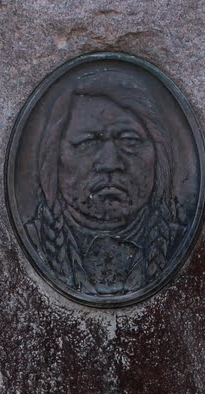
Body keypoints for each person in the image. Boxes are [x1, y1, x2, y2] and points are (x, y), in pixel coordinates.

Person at [22, 67, 189, 300]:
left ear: (159, 155)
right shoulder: (34, 238)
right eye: (87, 142)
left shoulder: (178, 241)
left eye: (129, 141)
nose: (110, 163)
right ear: (54, 158)